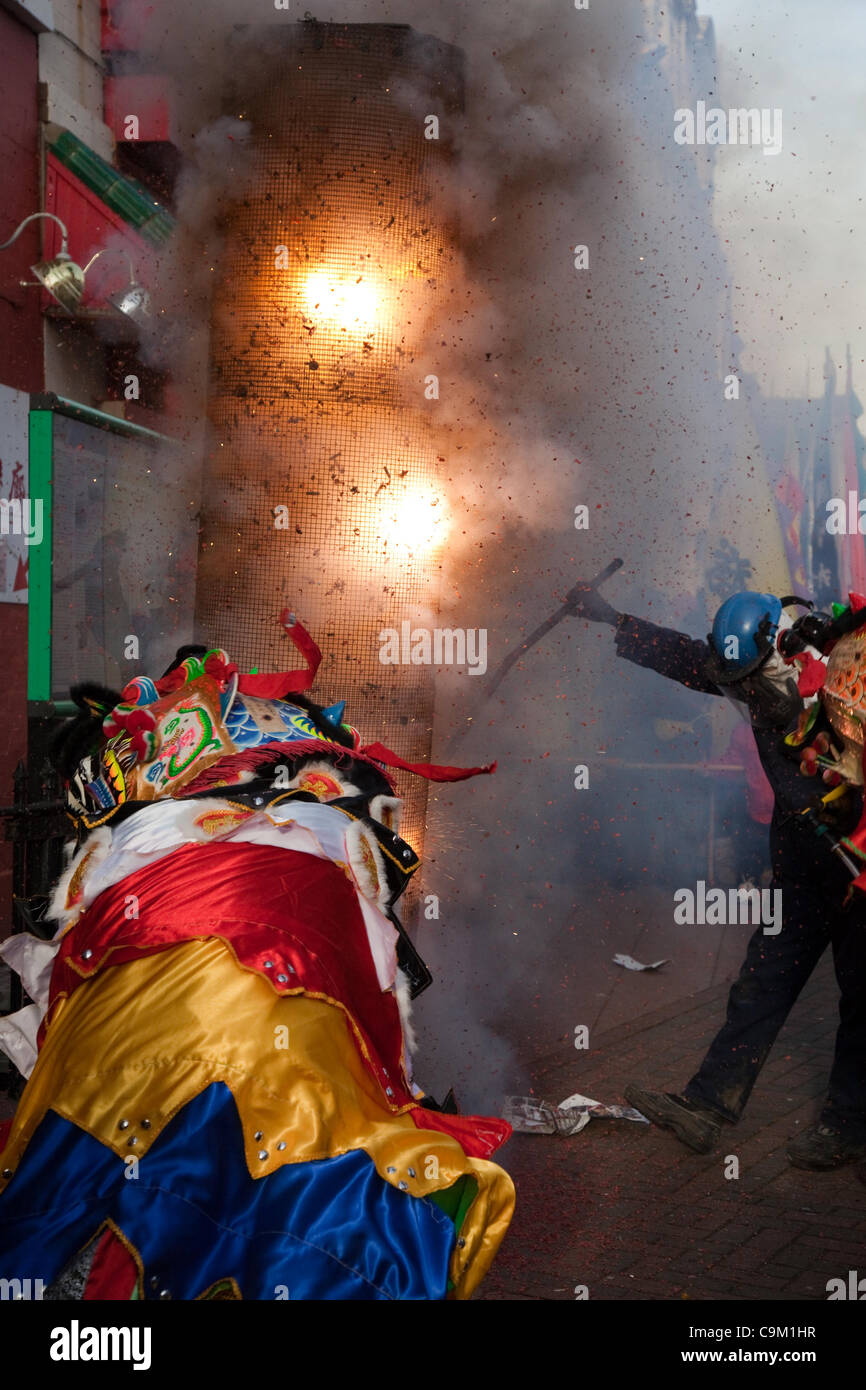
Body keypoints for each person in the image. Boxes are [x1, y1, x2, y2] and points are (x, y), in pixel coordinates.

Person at [568, 582, 866, 1169]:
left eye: (753, 679)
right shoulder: (743, 664)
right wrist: (616, 620)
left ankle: (847, 1126)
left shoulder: (840, 662)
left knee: (862, 999)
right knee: (762, 981)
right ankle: (706, 1107)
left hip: (856, 864)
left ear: (777, 645)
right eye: (739, 682)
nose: (746, 693)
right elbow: (687, 659)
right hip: (804, 864)